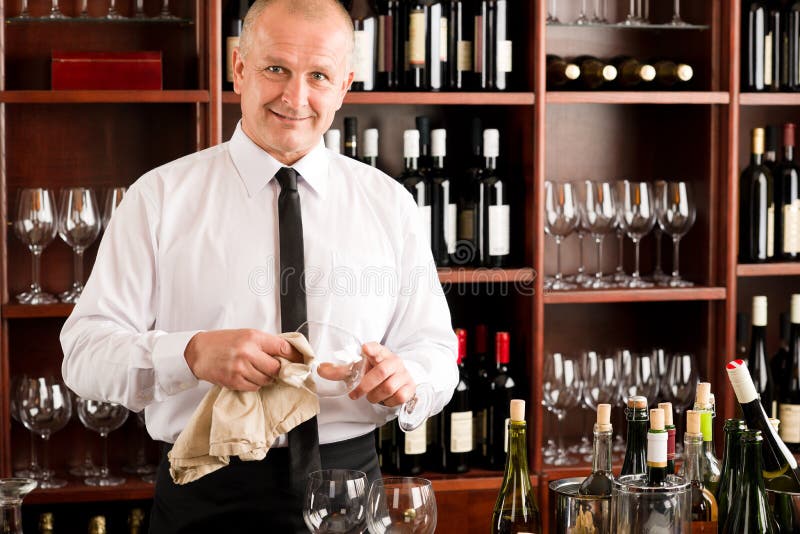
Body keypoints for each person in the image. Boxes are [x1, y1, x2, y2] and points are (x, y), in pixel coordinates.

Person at [60, 0, 458, 532]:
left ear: (344, 86)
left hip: (352, 489)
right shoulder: (158, 198)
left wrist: (407, 379)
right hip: (205, 490)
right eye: (276, 69)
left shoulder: (389, 204)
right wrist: (192, 353)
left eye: (318, 75)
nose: (295, 97)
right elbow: (83, 355)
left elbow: (435, 352)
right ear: (239, 68)